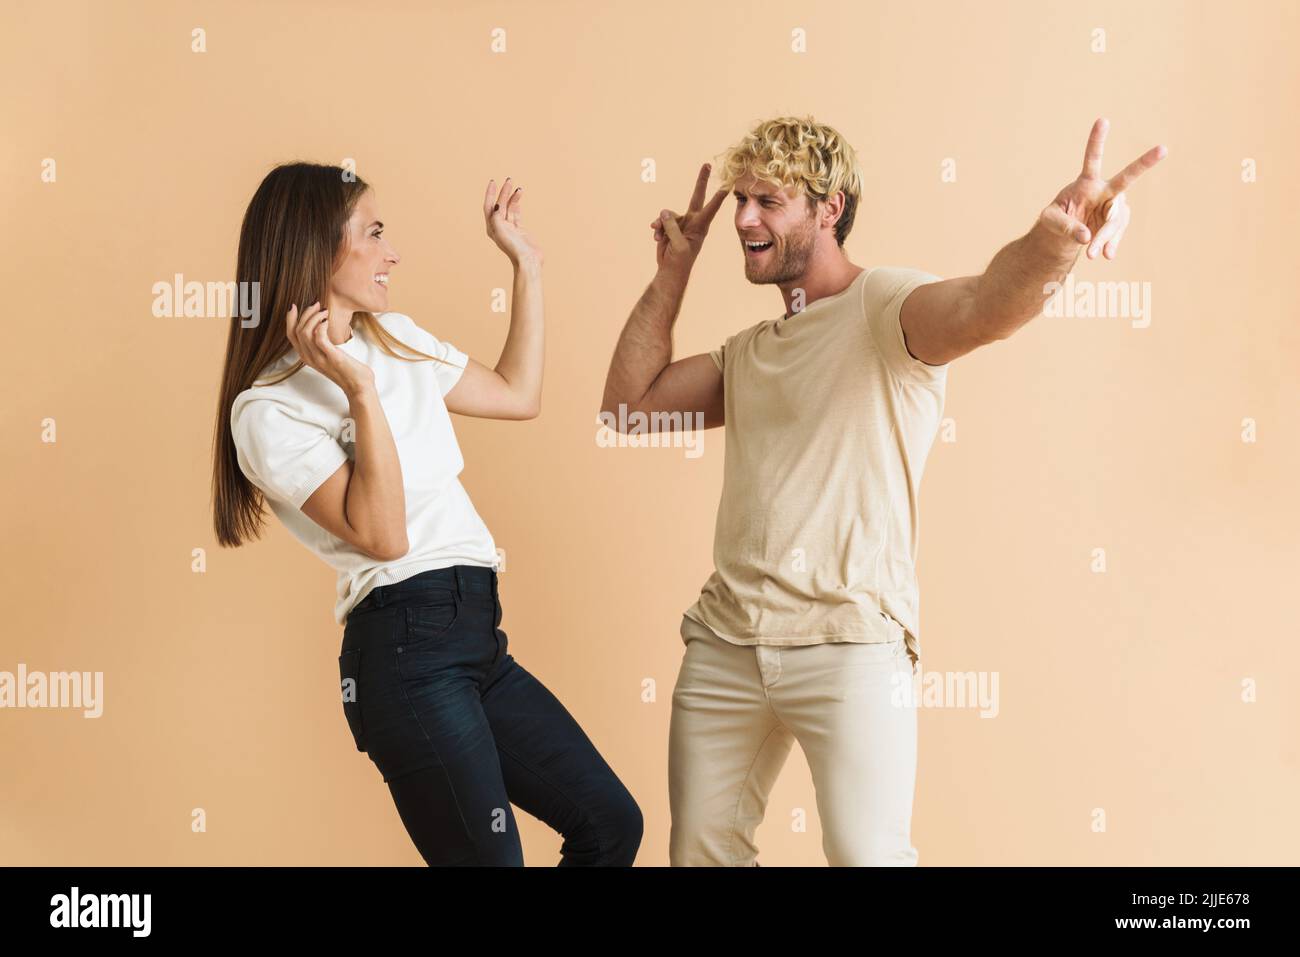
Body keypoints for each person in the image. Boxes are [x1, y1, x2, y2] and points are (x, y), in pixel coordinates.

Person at [600, 115, 1164, 866]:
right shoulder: (751, 352)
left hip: (850, 645)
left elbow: (986, 306)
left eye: (768, 200)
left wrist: (1056, 241)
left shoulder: (887, 308)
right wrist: (674, 271)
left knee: (869, 856)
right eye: (740, 199)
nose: (742, 217)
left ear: (829, 209)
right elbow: (626, 410)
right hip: (726, 645)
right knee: (701, 852)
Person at [211, 162, 642, 866]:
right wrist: (357, 390)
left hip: (477, 634)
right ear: (319, 248)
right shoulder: (267, 408)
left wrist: (525, 265)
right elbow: (385, 535)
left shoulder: (396, 339)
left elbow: (516, 392)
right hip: (405, 648)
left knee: (610, 822)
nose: (393, 253)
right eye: (374, 234)